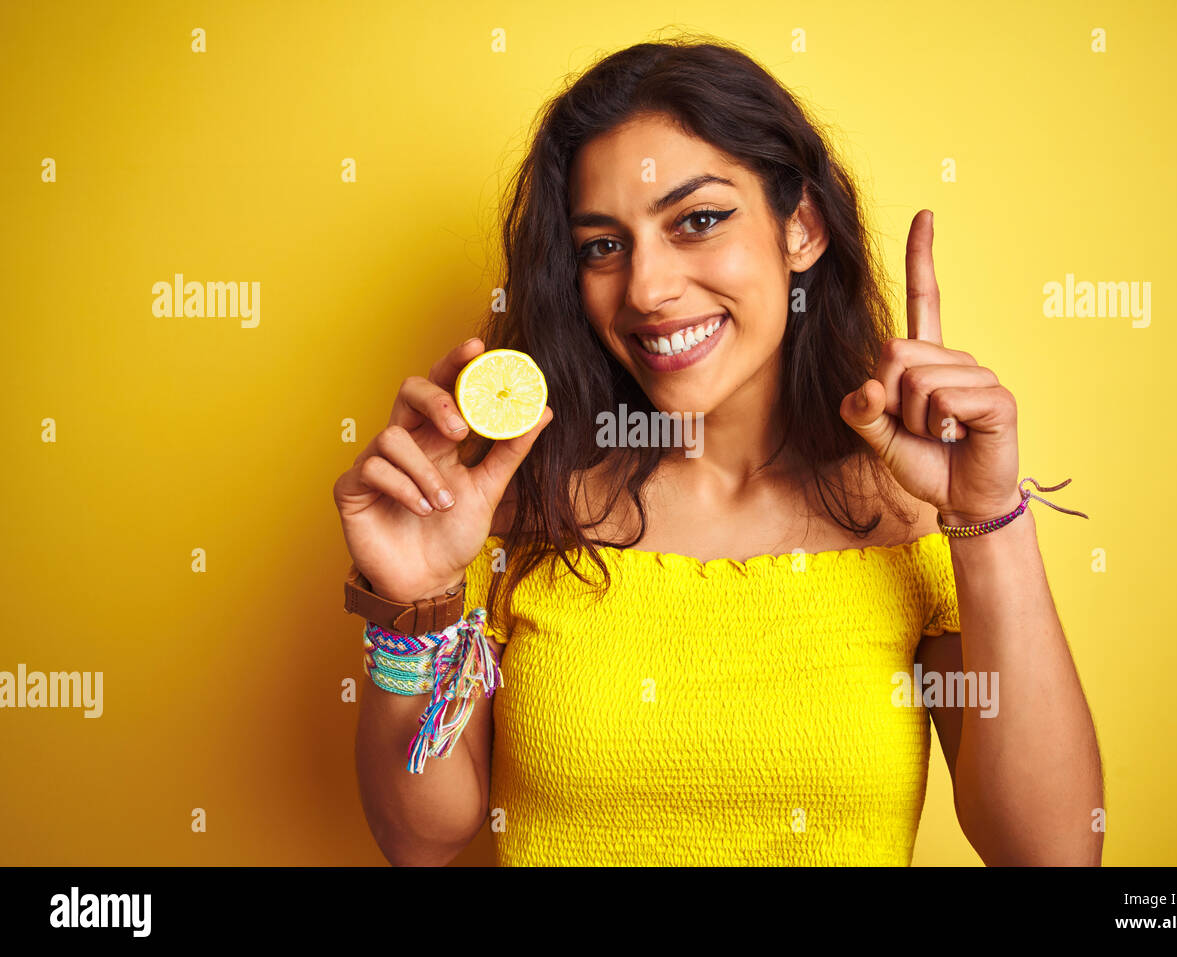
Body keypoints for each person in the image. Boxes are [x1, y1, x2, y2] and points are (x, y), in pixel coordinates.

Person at [333, 35, 1103, 866]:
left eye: (698, 221)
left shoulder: (912, 516)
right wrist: (413, 606)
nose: (647, 289)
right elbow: (421, 840)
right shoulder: (515, 506)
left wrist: (988, 517)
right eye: (603, 245)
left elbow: (1054, 854)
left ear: (801, 227)